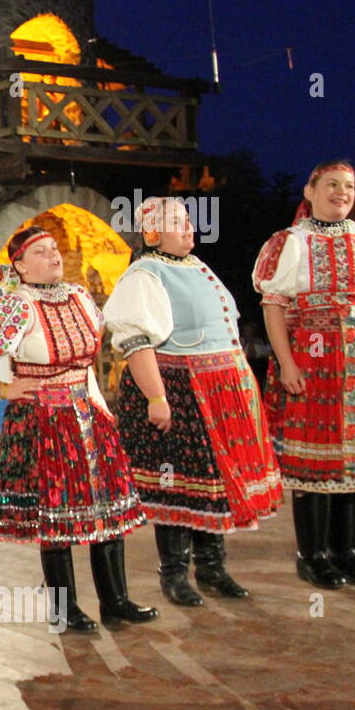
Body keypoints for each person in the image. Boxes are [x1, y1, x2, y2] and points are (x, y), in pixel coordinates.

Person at [0, 226, 157, 631]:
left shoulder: (80, 296)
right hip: (44, 419)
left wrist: (99, 405)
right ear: (21, 265)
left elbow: (84, 363)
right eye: (42, 252)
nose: (54, 256)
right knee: (55, 515)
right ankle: (66, 610)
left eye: (55, 249)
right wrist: (4, 388)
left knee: (107, 508)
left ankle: (115, 601)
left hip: (87, 411)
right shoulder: (18, 305)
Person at [105, 197, 282, 605]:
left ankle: (212, 567)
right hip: (179, 390)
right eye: (177, 223)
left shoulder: (197, 266)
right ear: (152, 233)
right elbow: (135, 341)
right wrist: (156, 398)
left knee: (212, 481)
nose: (189, 229)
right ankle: (174, 574)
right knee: (177, 485)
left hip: (218, 392)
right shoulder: (144, 274)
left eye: (188, 221)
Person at [253, 160, 355, 589]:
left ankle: (348, 552)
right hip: (314, 358)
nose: (341, 192)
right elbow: (273, 304)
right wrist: (286, 362)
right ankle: (313, 554)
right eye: (332, 185)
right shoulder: (291, 242)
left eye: (349, 186)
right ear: (310, 190)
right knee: (313, 458)